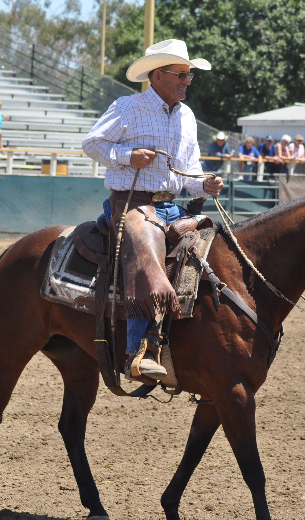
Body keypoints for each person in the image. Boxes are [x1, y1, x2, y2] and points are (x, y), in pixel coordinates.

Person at [82, 39, 223, 381]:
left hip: (170, 205)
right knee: (147, 244)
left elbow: (189, 170)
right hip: (130, 203)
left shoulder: (186, 116)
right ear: (158, 75)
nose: (187, 81)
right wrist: (128, 157)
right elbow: (92, 143)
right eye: (182, 74)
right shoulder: (128, 107)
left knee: (215, 245)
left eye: (189, 75)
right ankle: (138, 351)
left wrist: (205, 184)